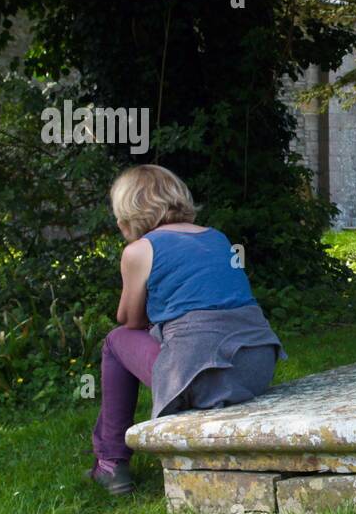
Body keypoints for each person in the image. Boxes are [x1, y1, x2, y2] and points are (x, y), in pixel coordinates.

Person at [89, 164, 284, 495]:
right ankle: (110, 458)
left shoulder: (138, 251)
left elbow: (131, 321)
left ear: (126, 217)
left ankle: (111, 463)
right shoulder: (216, 238)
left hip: (201, 373)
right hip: (256, 368)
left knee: (114, 342)